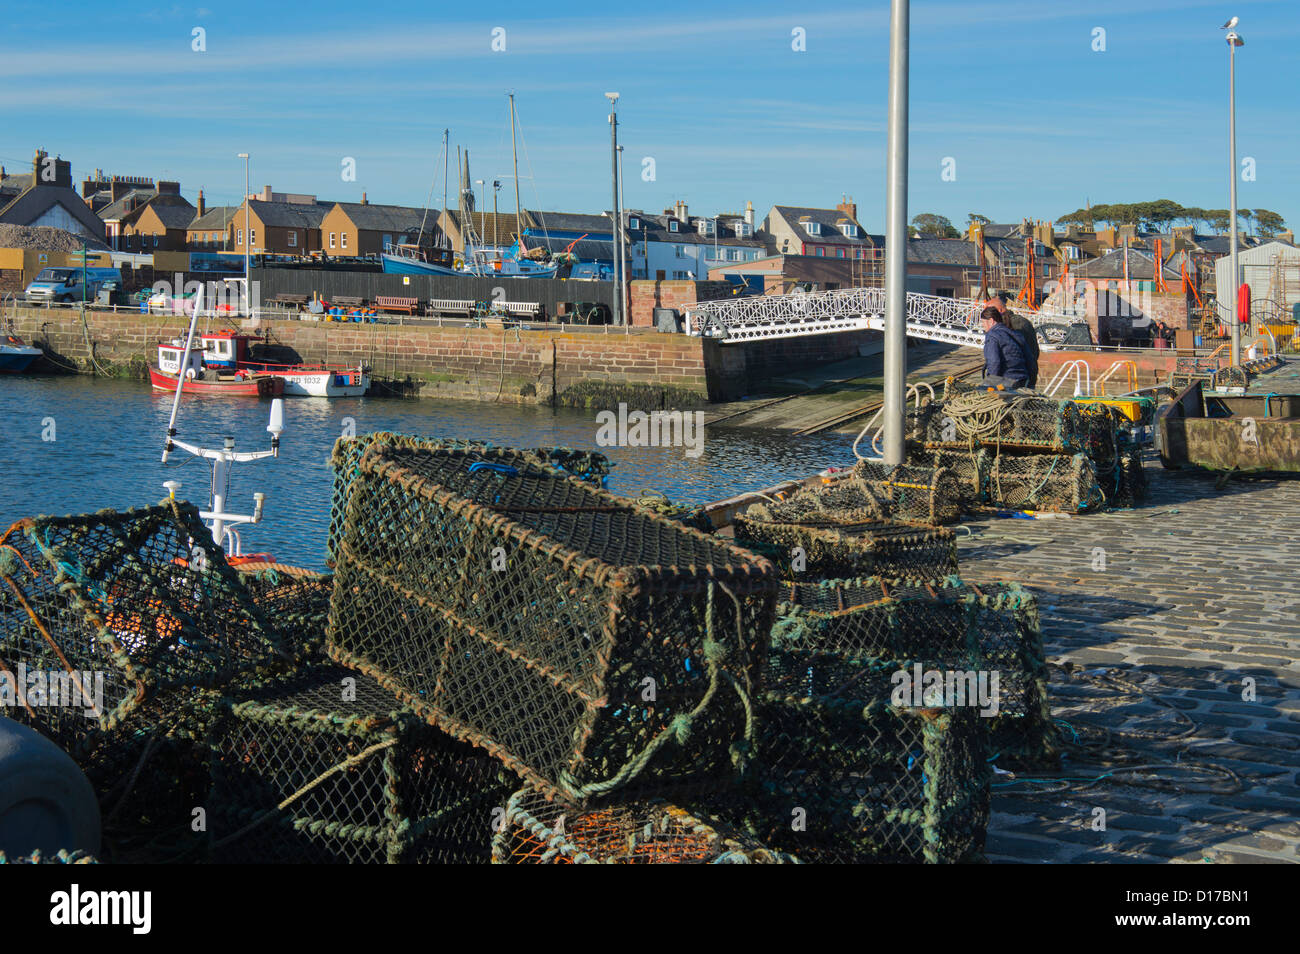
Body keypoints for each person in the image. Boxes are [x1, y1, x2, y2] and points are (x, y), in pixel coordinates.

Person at [994, 292, 1040, 388]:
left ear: (1000, 310)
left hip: (1017, 381)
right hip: (1026, 378)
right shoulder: (1021, 322)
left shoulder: (1013, 326)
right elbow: (1035, 352)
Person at [980, 305, 1029, 389]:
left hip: (1007, 380)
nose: (982, 326)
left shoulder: (993, 336)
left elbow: (994, 362)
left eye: (983, 322)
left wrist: (990, 385)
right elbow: (1029, 359)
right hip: (1022, 379)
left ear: (991, 321)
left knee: (979, 393)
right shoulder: (1015, 334)